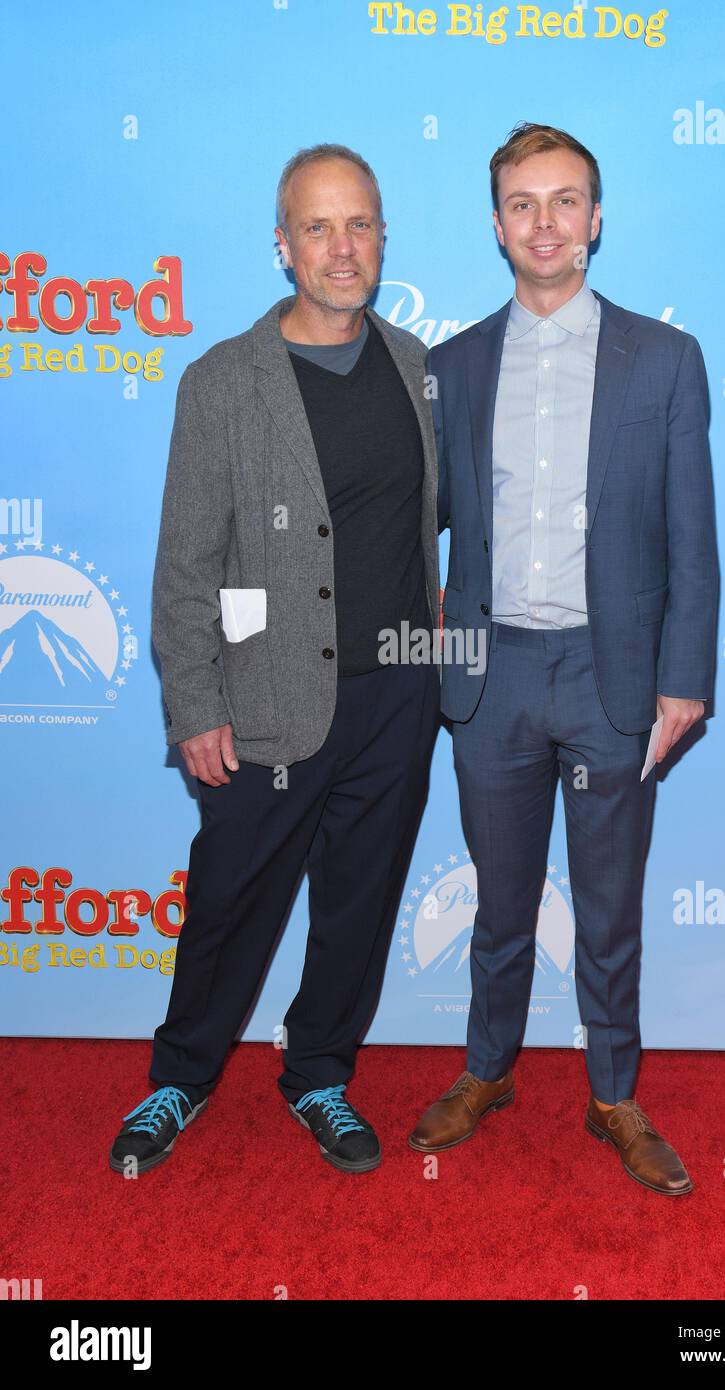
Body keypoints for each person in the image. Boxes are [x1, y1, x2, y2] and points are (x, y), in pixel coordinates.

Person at [110, 144, 441, 1177]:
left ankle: (321, 1075)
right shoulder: (222, 383)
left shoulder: (418, 365)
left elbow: (428, 527)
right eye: (318, 227)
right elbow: (185, 563)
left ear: (384, 237)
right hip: (264, 699)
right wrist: (193, 702)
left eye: (360, 225)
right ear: (281, 245)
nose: (341, 249)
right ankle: (180, 1076)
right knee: (230, 901)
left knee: (361, 897)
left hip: (397, 697)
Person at [409, 123, 720, 1196]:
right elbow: (417, 530)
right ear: (497, 226)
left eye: (565, 200)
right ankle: (487, 1071)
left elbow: (693, 533)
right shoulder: (447, 369)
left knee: (608, 901)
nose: (545, 222)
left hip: (611, 676)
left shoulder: (664, 359)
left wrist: (685, 678)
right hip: (490, 676)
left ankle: (613, 1094)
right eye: (523, 203)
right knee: (499, 898)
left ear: (596, 218)